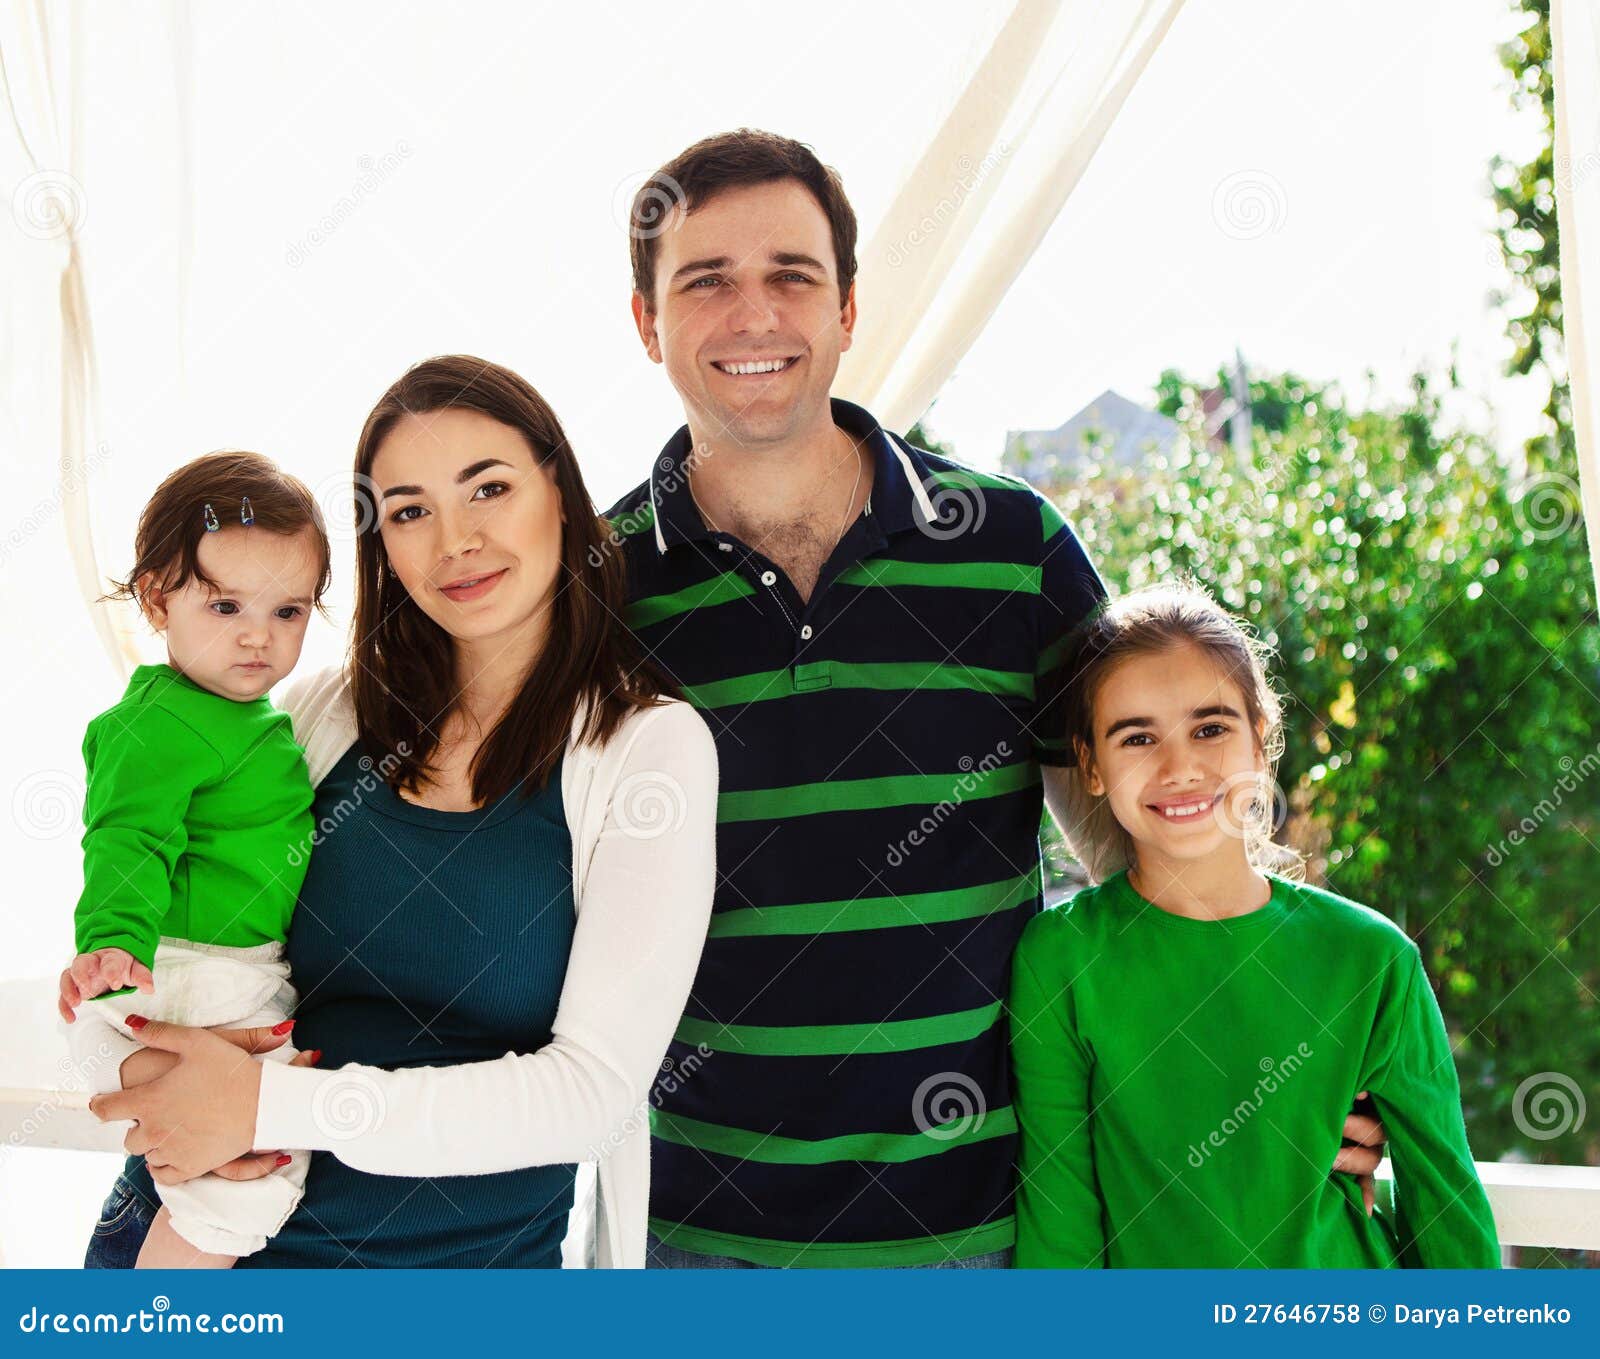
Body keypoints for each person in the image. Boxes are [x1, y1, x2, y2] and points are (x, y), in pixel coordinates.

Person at [609, 129, 1386, 1268]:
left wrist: (1274, 1059)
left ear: (848, 309)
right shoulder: (594, 589)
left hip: (988, 1239)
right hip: (693, 1244)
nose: (754, 314)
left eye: (793, 275)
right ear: (647, 322)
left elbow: (1152, 856)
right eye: (706, 281)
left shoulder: (1014, 547)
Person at [74, 356, 717, 1268]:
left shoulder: (646, 750)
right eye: (410, 511)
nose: (456, 540)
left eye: (488, 489)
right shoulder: (315, 718)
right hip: (180, 1249)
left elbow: (591, 1096)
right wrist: (137, 1063)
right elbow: (149, 954)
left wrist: (268, 1105)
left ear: (562, 497)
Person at [1009, 582, 1501, 1268]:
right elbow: (1060, 1236)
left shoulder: (1374, 958)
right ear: (1090, 765)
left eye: (1210, 728)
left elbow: (1451, 1216)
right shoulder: (1060, 958)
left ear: (1260, 739)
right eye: (1138, 737)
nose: (1180, 767)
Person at [62, 451, 329, 1266]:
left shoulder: (239, 713)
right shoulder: (162, 722)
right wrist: (112, 939)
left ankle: (129, 1068)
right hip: (198, 969)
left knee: (250, 1150)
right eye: (225, 604)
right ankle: (164, 1313)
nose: (258, 634)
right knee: (247, 1182)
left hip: (226, 966)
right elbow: (125, 836)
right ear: (156, 599)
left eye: (288, 610)